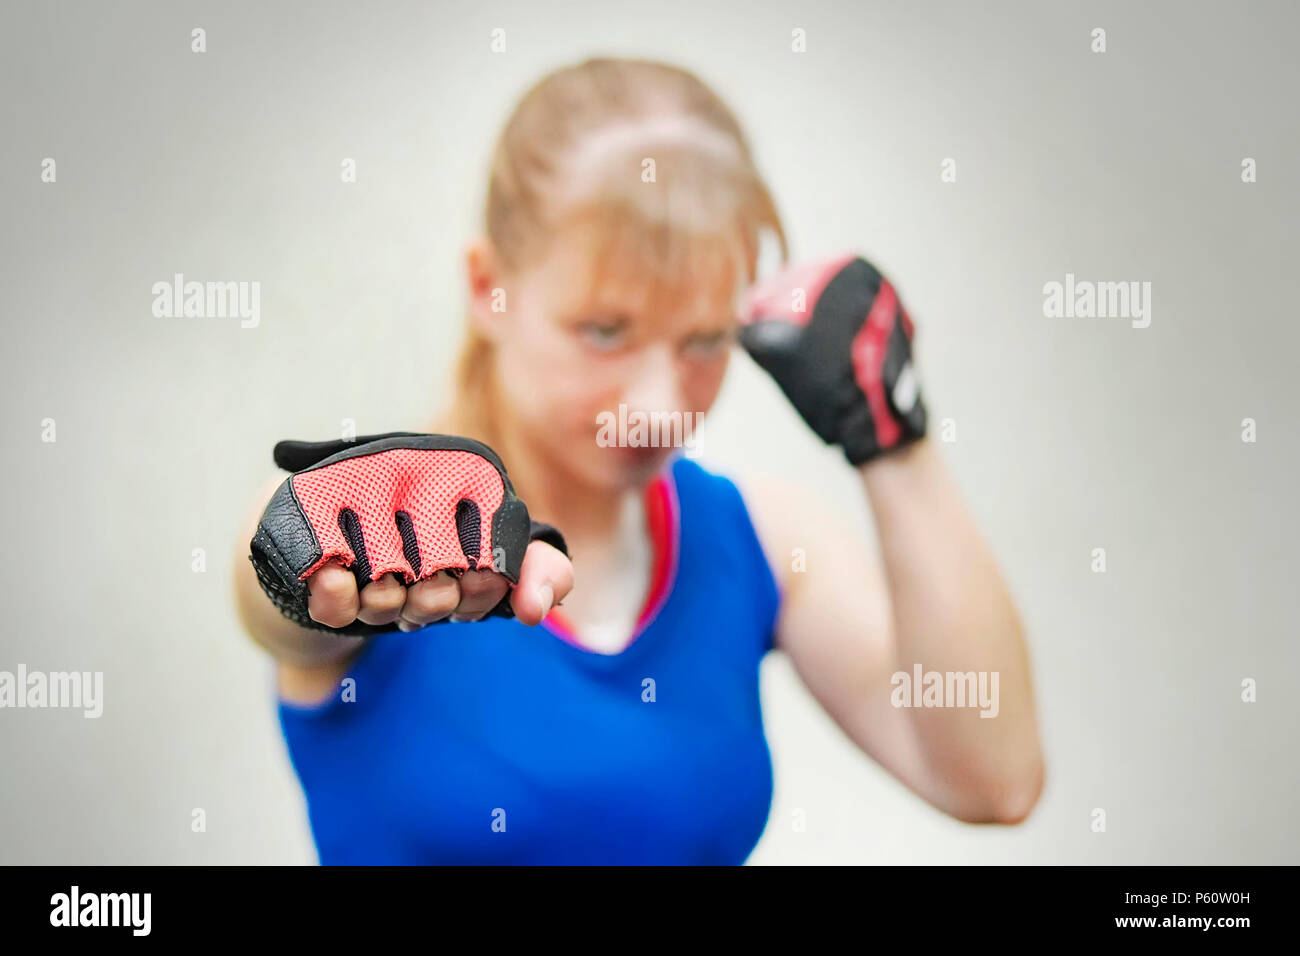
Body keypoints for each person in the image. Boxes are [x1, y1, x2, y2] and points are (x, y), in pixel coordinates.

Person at [233, 56, 1044, 865]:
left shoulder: (757, 536)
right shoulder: (386, 525)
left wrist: (892, 430)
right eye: (606, 330)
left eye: (703, 340)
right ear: (489, 287)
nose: (660, 410)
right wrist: (295, 552)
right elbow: (276, 594)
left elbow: (993, 783)